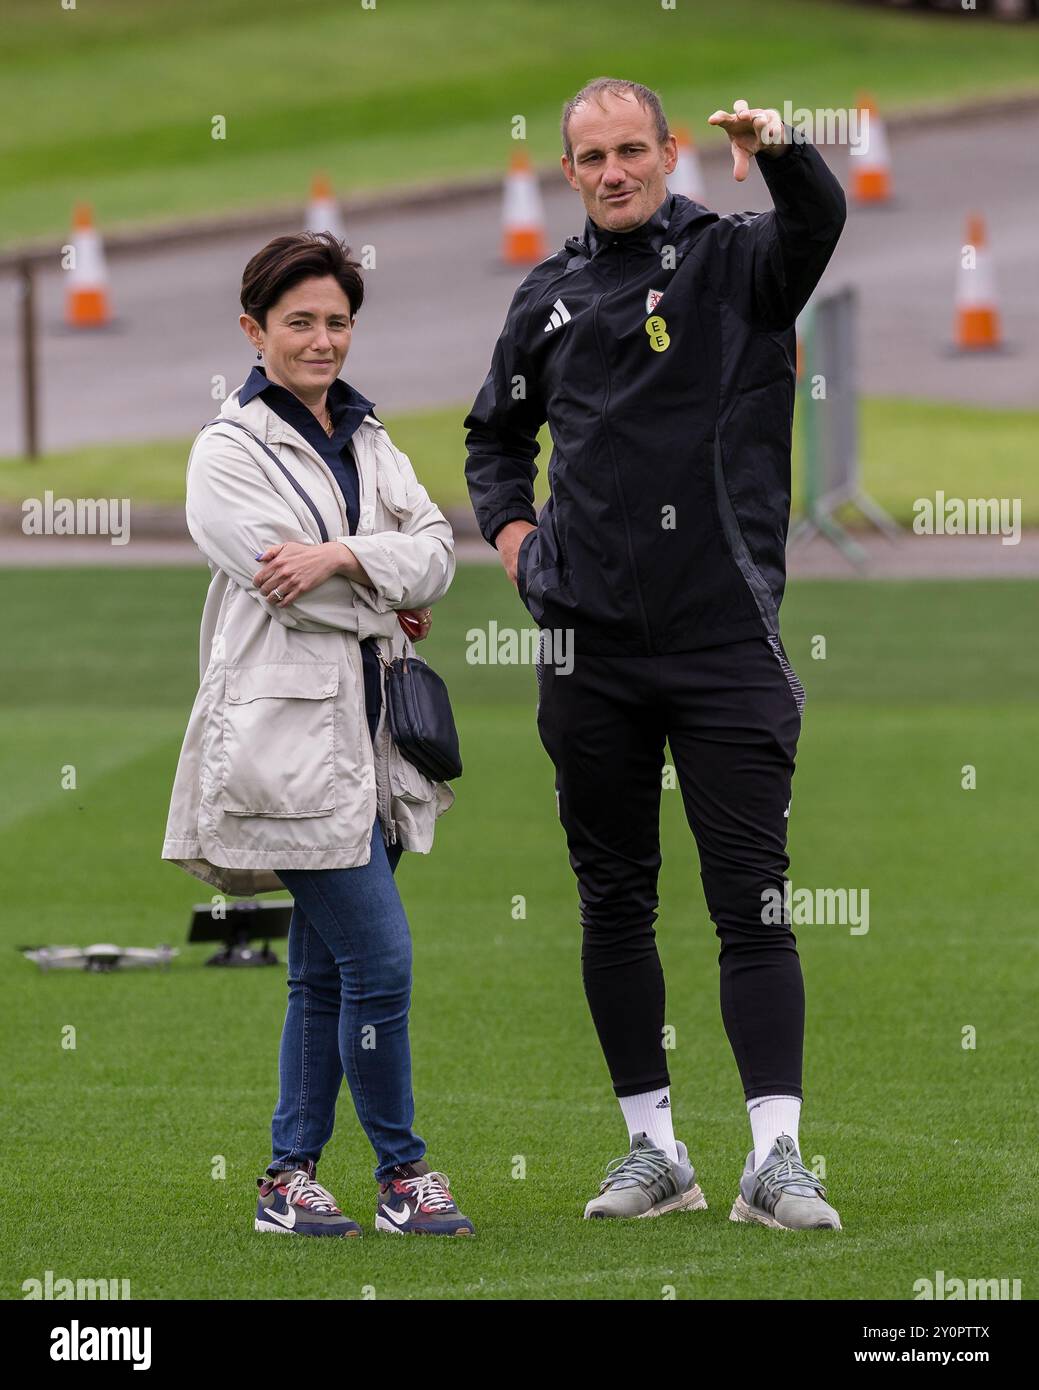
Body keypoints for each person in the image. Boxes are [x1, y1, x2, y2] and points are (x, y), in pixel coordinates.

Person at [464, 81, 847, 1229]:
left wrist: (778, 150)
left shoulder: (738, 263)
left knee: (752, 903)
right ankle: (655, 1153)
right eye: (592, 156)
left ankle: (773, 1160)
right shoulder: (545, 297)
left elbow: (817, 225)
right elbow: (496, 438)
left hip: (723, 636)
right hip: (590, 648)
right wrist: (521, 547)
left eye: (634, 149)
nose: (614, 170)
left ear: (672, 152)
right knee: (612, 899)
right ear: (568, 171)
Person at [163, 232, 474, 1237]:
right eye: (299, 320)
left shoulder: (372, 437)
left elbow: (437, 554)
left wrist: (346, 556)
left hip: (374, 746)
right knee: (380, 960)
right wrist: (377, 583)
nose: (321, 338)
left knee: (325, 970)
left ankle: (286, 1179)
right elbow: (279, 585)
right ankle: (402, 1174)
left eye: (337, 320)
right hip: (287, 748)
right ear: (254, 330)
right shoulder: (226, 450)